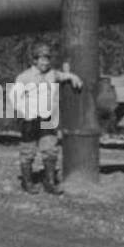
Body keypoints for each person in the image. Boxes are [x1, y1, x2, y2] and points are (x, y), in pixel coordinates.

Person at [11, 41, 82, 195]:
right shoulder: (24, 77)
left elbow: (64, 76)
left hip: (47, 118)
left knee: (50, 149)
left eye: (47, 59)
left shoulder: (52, 74)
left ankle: (49, 182)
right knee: (28, 151)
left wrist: (73, 77)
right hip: (29, 118)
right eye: (41, 59)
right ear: (34, 60)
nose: (45, 62)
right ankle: (27, 182)